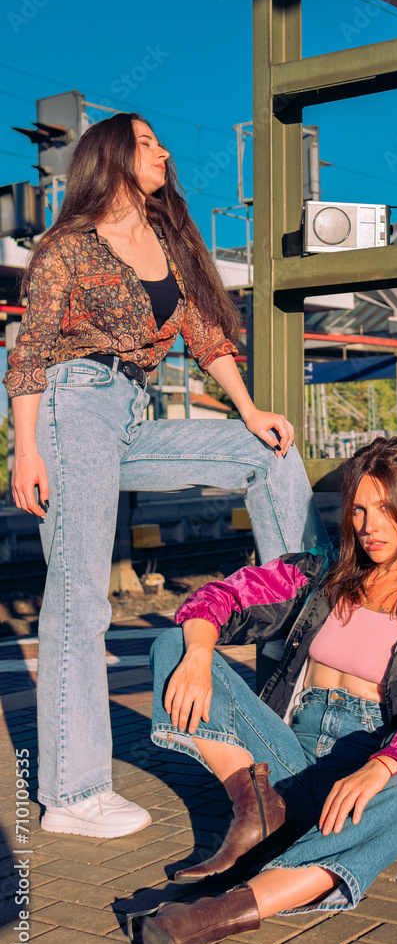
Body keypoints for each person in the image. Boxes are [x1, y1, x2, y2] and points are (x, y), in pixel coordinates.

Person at [2, 111, 326, 840]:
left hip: (127, 414)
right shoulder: (67, 247)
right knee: (80, 597)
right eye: (148, 143)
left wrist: (247, 410)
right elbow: (30, 354)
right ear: (111, 155)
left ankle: (304, 616)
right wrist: (26, 448)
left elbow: (206, 337)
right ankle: (73, 793)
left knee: (266, 454)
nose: (165, 152)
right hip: (69, 405)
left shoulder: (168, 243)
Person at [140, 437, 397, 944]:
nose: (369, 524)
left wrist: (383, 766)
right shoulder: (322, 576)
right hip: (284, 765)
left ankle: (218, 913)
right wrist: (200, 651)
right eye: (358, 510)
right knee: (172, 646)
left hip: (358, 773)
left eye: (385, 509)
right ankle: (259, 809)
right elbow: (223, 597)